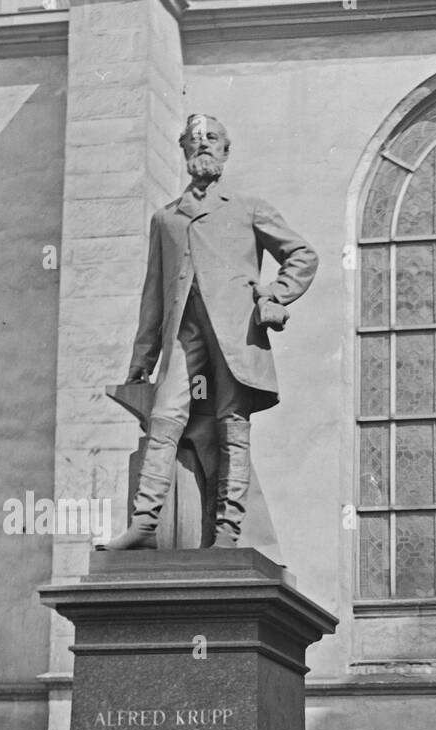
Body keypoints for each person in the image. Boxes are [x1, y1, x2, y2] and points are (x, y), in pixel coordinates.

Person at [100, 114, 318, 550]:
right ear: (183, 151)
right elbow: (153, 296)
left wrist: (274, 296)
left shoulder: (246, 207)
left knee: (232, 427)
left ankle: (227, 533)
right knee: (164, 419)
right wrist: (141, 361)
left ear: (225, 151)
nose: (203, 148)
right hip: (184, 333)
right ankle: (143, 523)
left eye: (211, 140)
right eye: (195, 142)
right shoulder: (166, 219)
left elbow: (302, 255)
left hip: (236, 335)